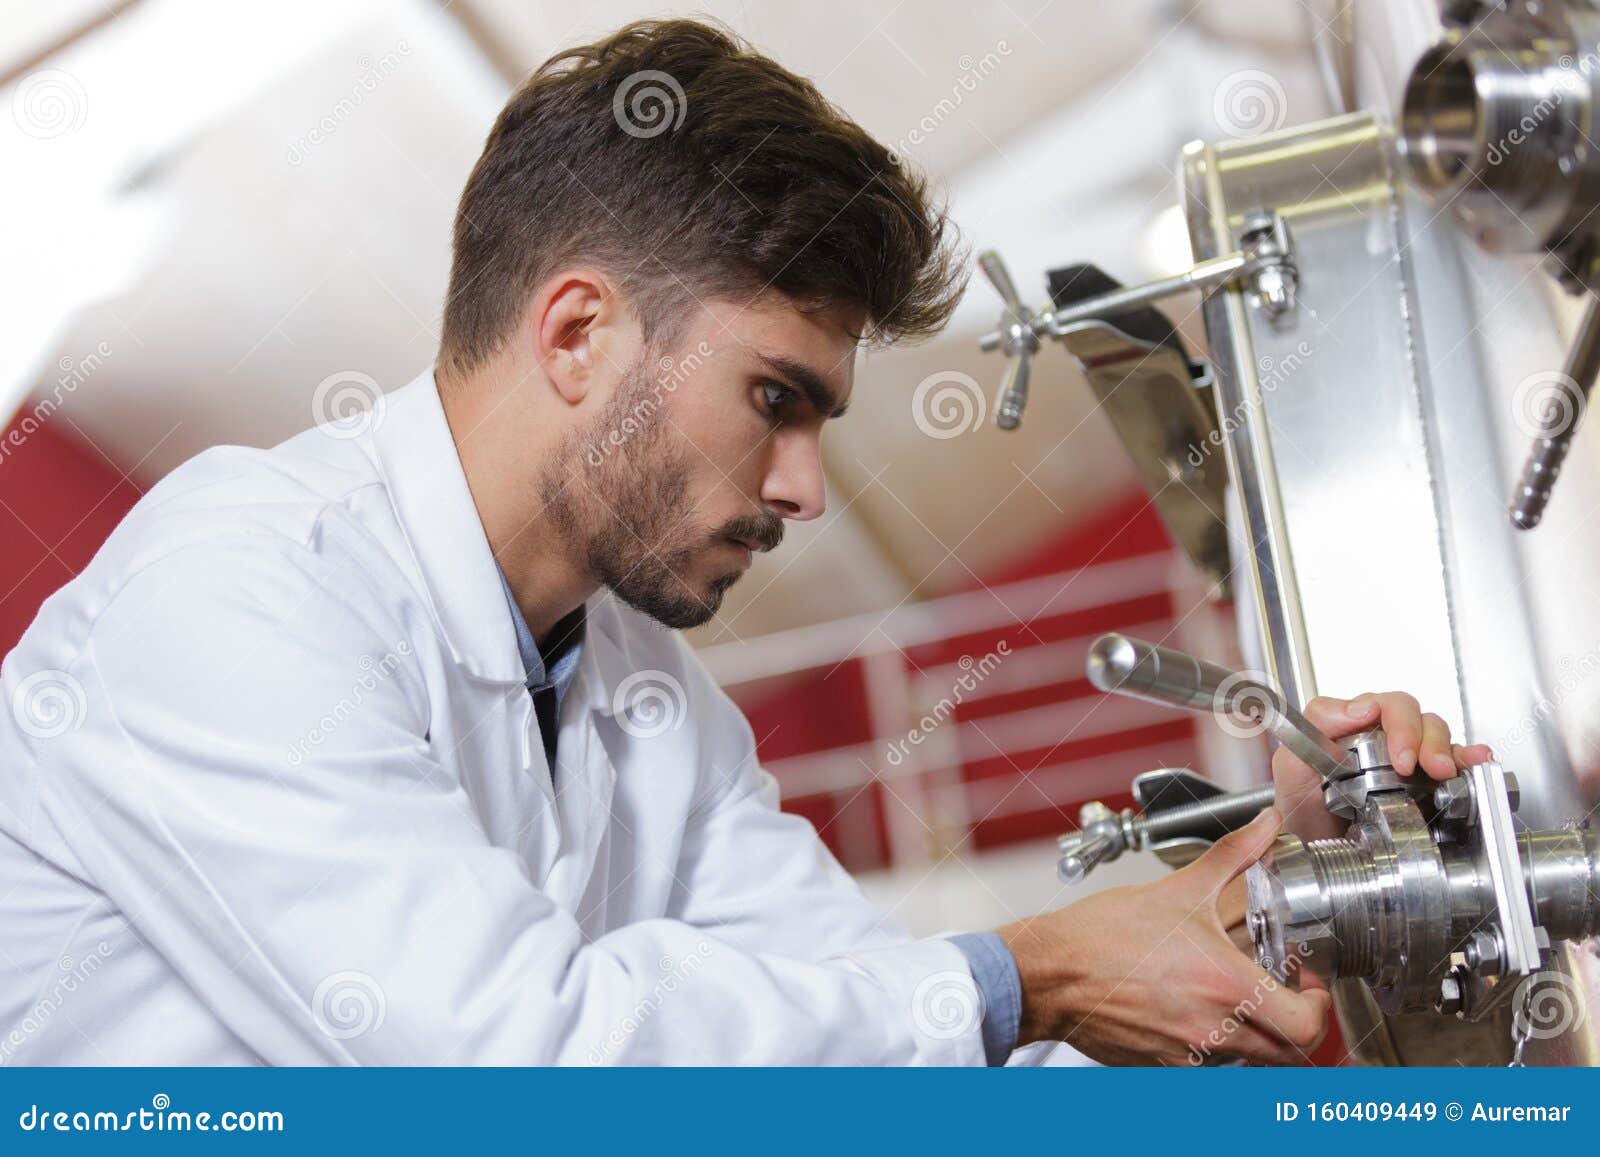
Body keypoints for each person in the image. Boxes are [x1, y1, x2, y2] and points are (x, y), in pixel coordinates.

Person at [0, 19, 1487, 1066]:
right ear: (578, 331)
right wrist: (1037, 972)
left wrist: (1280, 882)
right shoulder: (240, 587)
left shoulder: (647, 699)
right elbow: (506, 1070)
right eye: (776, 399)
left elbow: (899, 1041)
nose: (806, 488)